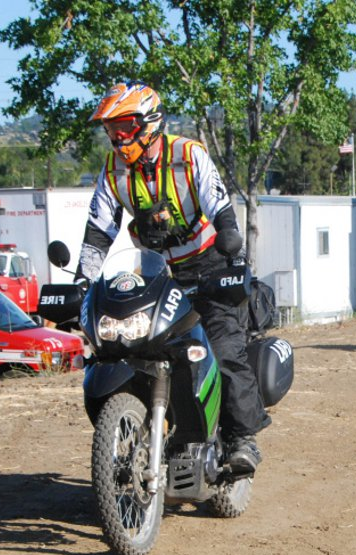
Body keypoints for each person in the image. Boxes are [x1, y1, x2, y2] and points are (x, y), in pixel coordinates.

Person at [74, 82, 268, 474]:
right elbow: (98, 231)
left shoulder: (188, 156)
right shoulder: (113, 172)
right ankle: (143, 427)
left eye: (125, 125)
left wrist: (232, 244)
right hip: (156, 271)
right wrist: (82, 281)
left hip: (210, 263)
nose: (118, 136)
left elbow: (219, 206)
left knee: (222, 348)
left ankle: (240, 437)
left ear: (150, 122)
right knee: (130, 344)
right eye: (112, 129)